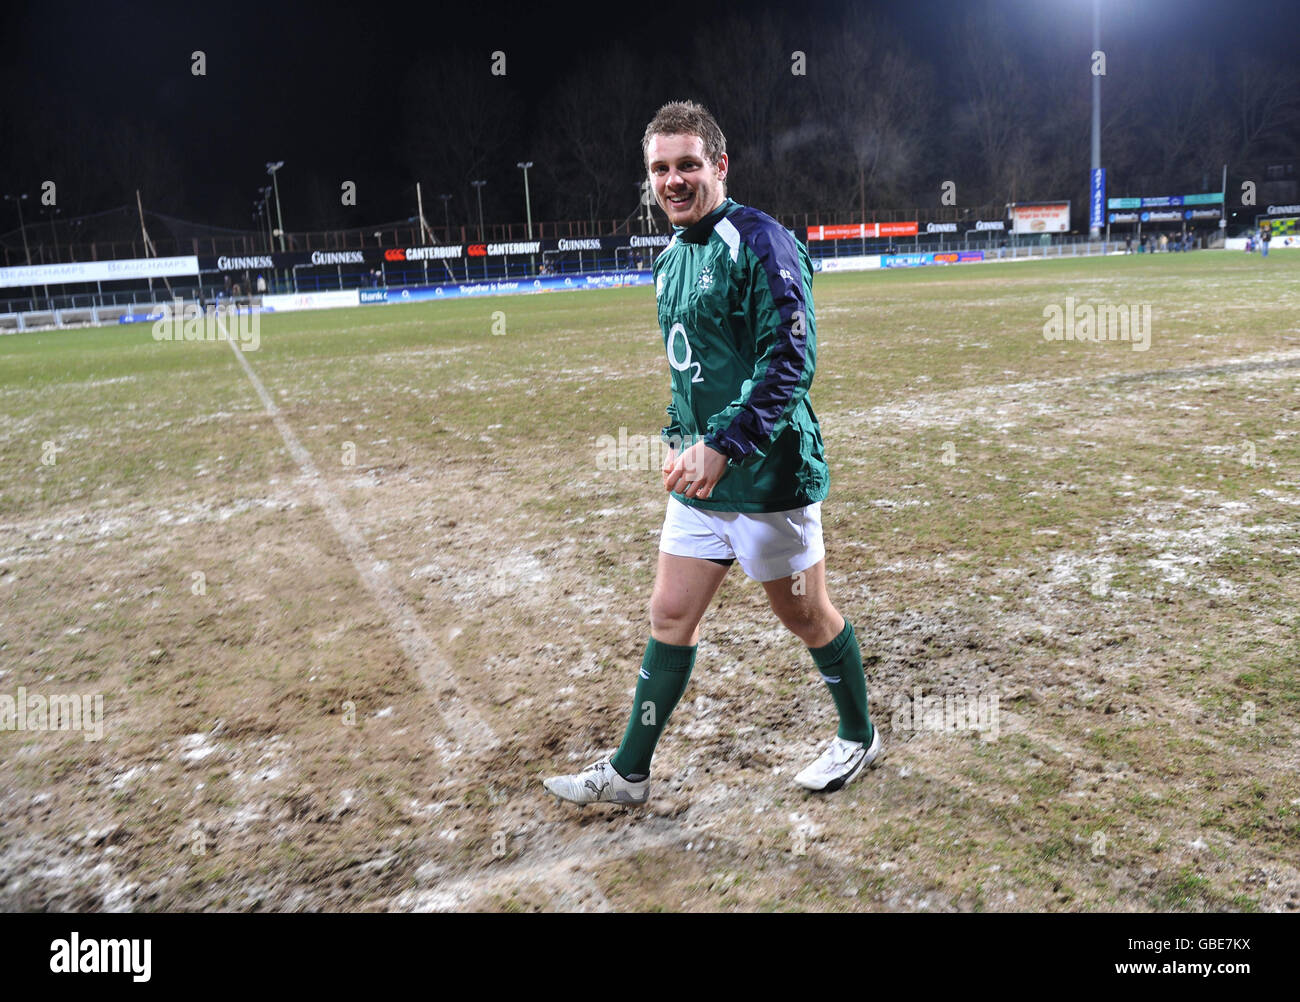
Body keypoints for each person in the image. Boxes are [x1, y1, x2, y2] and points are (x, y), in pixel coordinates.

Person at [543, 100, 880, 807]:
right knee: (670, 613)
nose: (673, 180)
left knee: (806, 616)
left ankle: (858, 733)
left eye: (687, 165)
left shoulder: (761, 242)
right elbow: (686, 371)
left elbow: (788, 358)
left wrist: (724, 444)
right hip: (703, 479)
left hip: (767, 477)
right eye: (660, 169)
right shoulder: (670, 260)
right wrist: (680, 439)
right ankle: (630, 771)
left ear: (719, 166)